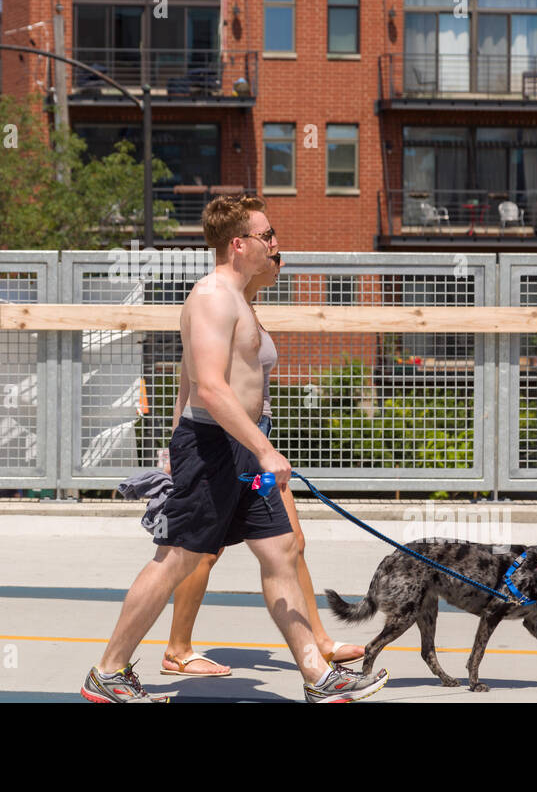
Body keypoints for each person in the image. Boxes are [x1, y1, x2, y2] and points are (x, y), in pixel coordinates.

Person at [81, 195, 388, 703]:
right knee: (177, 558)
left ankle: (317, 675)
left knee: (283, 552)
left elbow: (192, 375)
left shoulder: (242, 298)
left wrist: (249, 446)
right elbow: (209, 387)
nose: (276, 243)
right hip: (213, 447)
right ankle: (109, 671)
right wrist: (259, 450)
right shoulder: (212, 297)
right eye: (267, 236)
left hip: (242, 446)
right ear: (237, 243)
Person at [158, 249, 364, 677]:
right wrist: (174, 447)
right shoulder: (215, 300)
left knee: (290, 542)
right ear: (243, 252)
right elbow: (191, 376)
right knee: (201, 552)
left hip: (253, 440)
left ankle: (319, 644)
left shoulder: (246, 306)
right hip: (223, 441)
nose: (279, 262)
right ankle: (177, 649)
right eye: (274, 253)